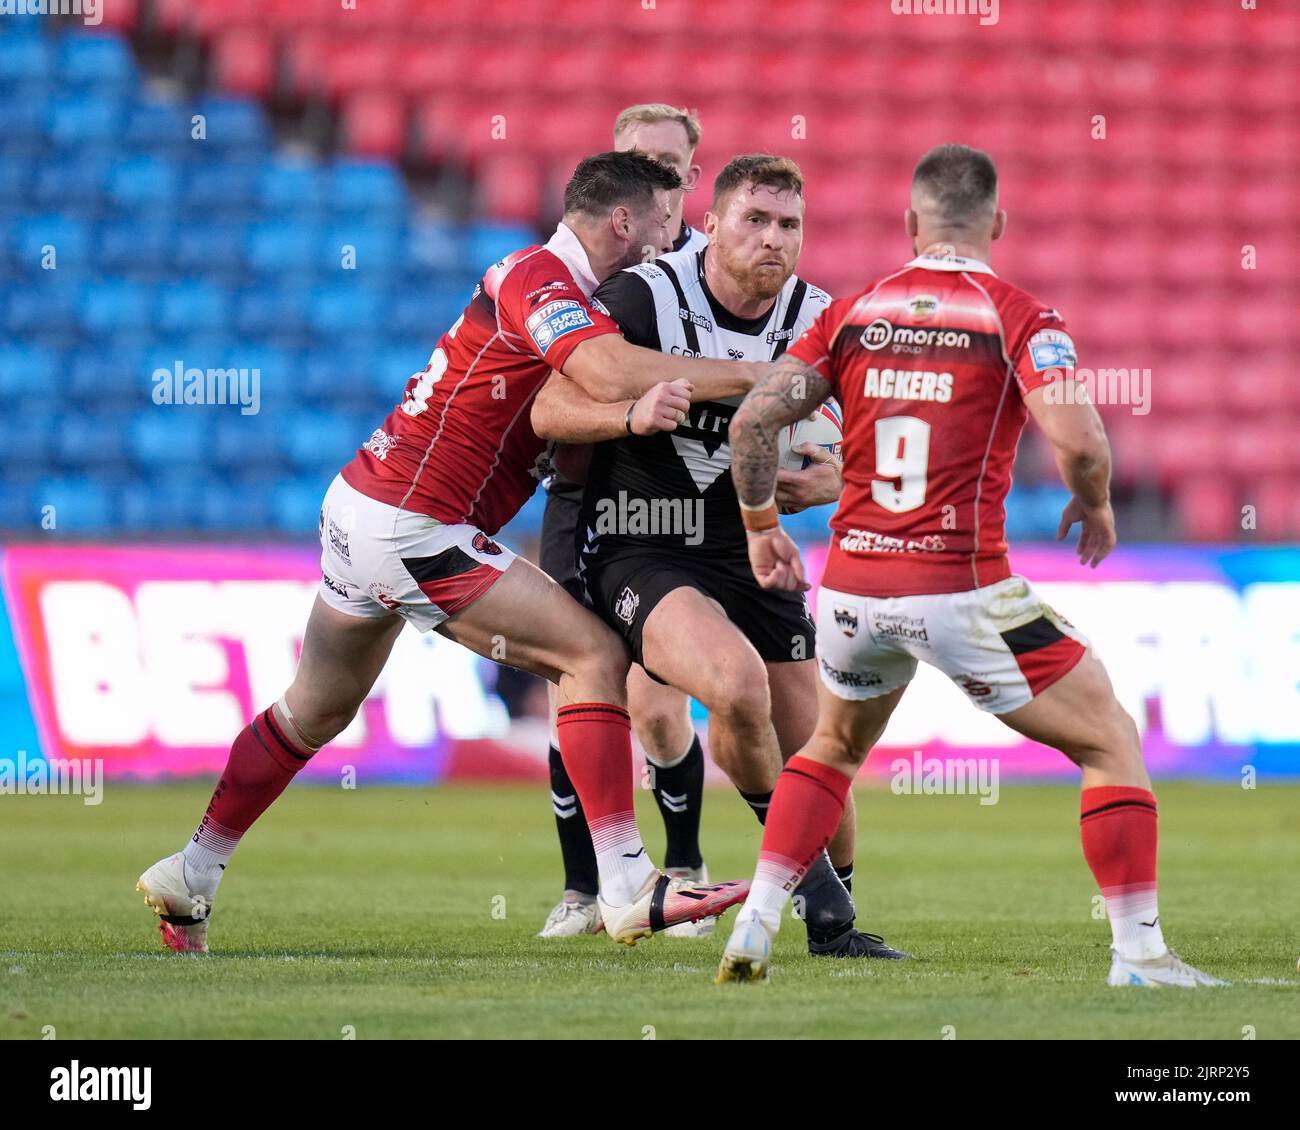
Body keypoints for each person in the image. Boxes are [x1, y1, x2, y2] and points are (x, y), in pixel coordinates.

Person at [134, 151, 767, 954]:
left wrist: (639, 420)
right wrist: (755, 374)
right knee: (594, 657)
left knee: (313, 711)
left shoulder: (562, 293)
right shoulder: (540, 276)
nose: (674, 247)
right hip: (412, 522)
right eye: (668, 226)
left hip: (363, 507)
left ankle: (192, 872)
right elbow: (603, 370)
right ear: (624, 221)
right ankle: (625, 883)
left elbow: (556, 412)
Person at [716, 143, 1225, 987]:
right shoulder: (1017, 314)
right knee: (1111, 742)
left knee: (833, 748)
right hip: (958, 586)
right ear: (996, 223)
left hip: (851, 585)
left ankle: (760, 924)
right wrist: (1095, 504)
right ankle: (1139, 955)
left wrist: (763, 525)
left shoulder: (851, 312)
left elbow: (751, 426)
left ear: (911, 223)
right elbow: (1081, 442)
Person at [532, 154, 908, 959]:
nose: (774, 239)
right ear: (712, 226)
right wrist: (632, 412)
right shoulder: (646, 296)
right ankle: (818, 901)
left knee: (822, 750)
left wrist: (833, 477)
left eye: (789, 225)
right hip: (638, 541)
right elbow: (548, 406)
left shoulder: (817, 317)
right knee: (735, 687)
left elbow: (851, 449)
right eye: (755, 220)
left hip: (750, 549)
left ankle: (835, 922)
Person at [537, 104, 713, 938]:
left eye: (671, 169)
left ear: (692, 178)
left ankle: (681, 868)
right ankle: (584, 888)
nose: (657, 183)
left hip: (668, 507)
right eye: (638, 163)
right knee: (573, 686)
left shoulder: (713, 272)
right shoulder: (573, 266)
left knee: (656, 703)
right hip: (579, 498)